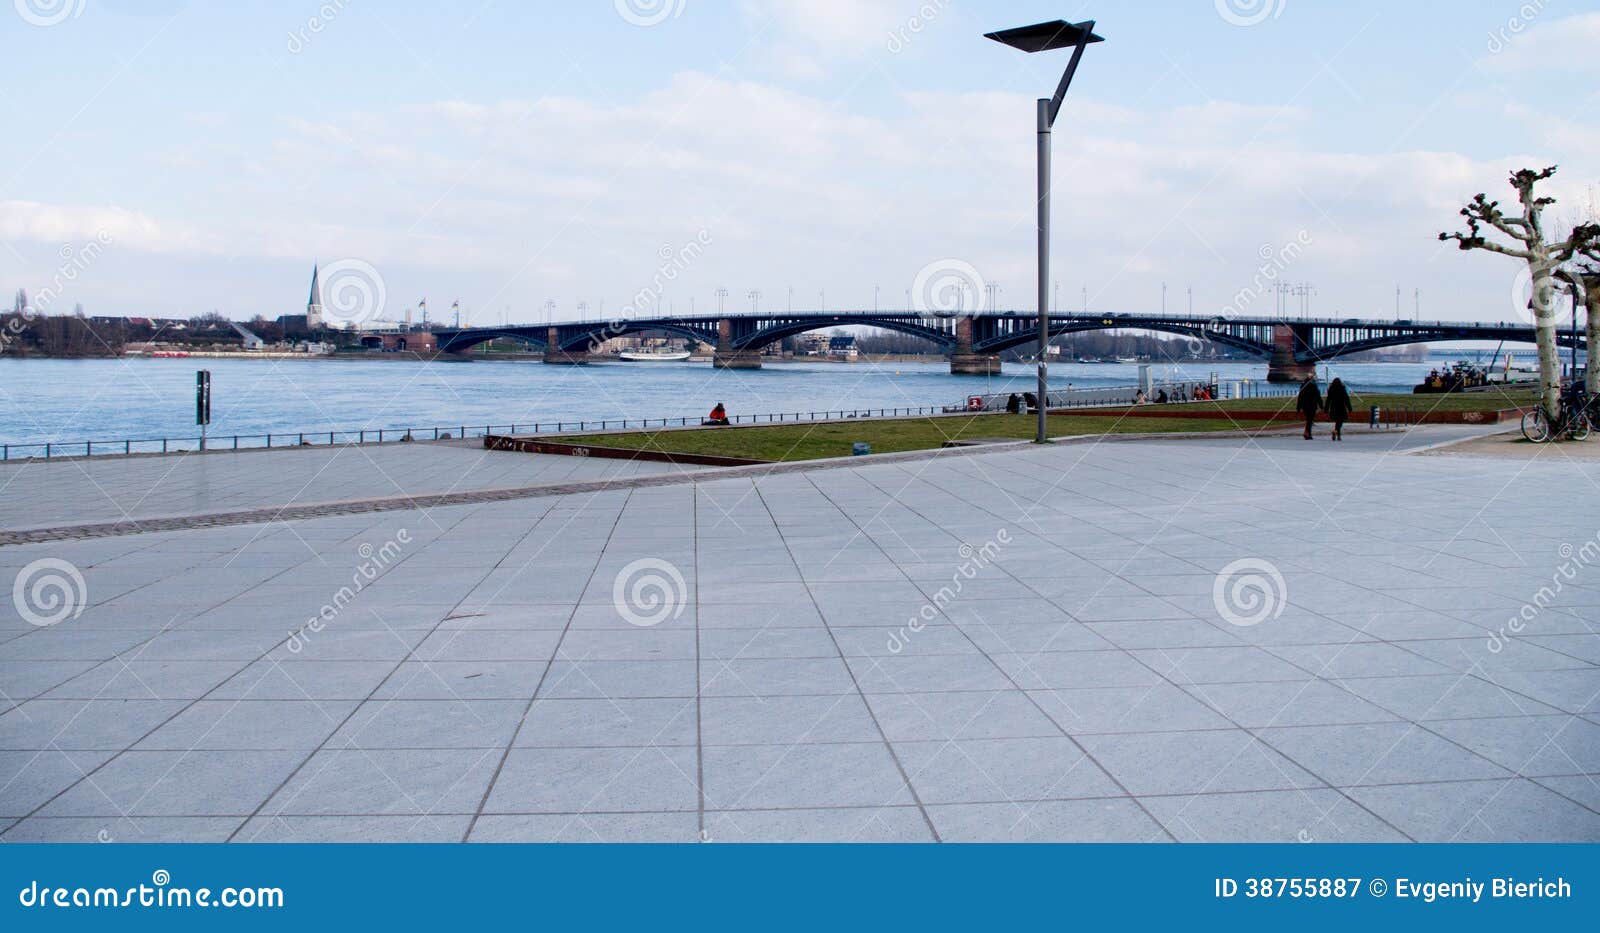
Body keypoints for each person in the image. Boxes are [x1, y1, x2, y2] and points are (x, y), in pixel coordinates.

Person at [1325, 377, 1352, 441]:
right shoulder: (1342, 388)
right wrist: (1349, 408)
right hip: (1341, 407)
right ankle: (1337, 434)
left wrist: (1326, 409)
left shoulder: (1331, 389)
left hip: (1333, 407)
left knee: (1337, 421)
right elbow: (1346, 399)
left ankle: (1336, 432)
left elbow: (1328, 400)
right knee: (1340, 421)